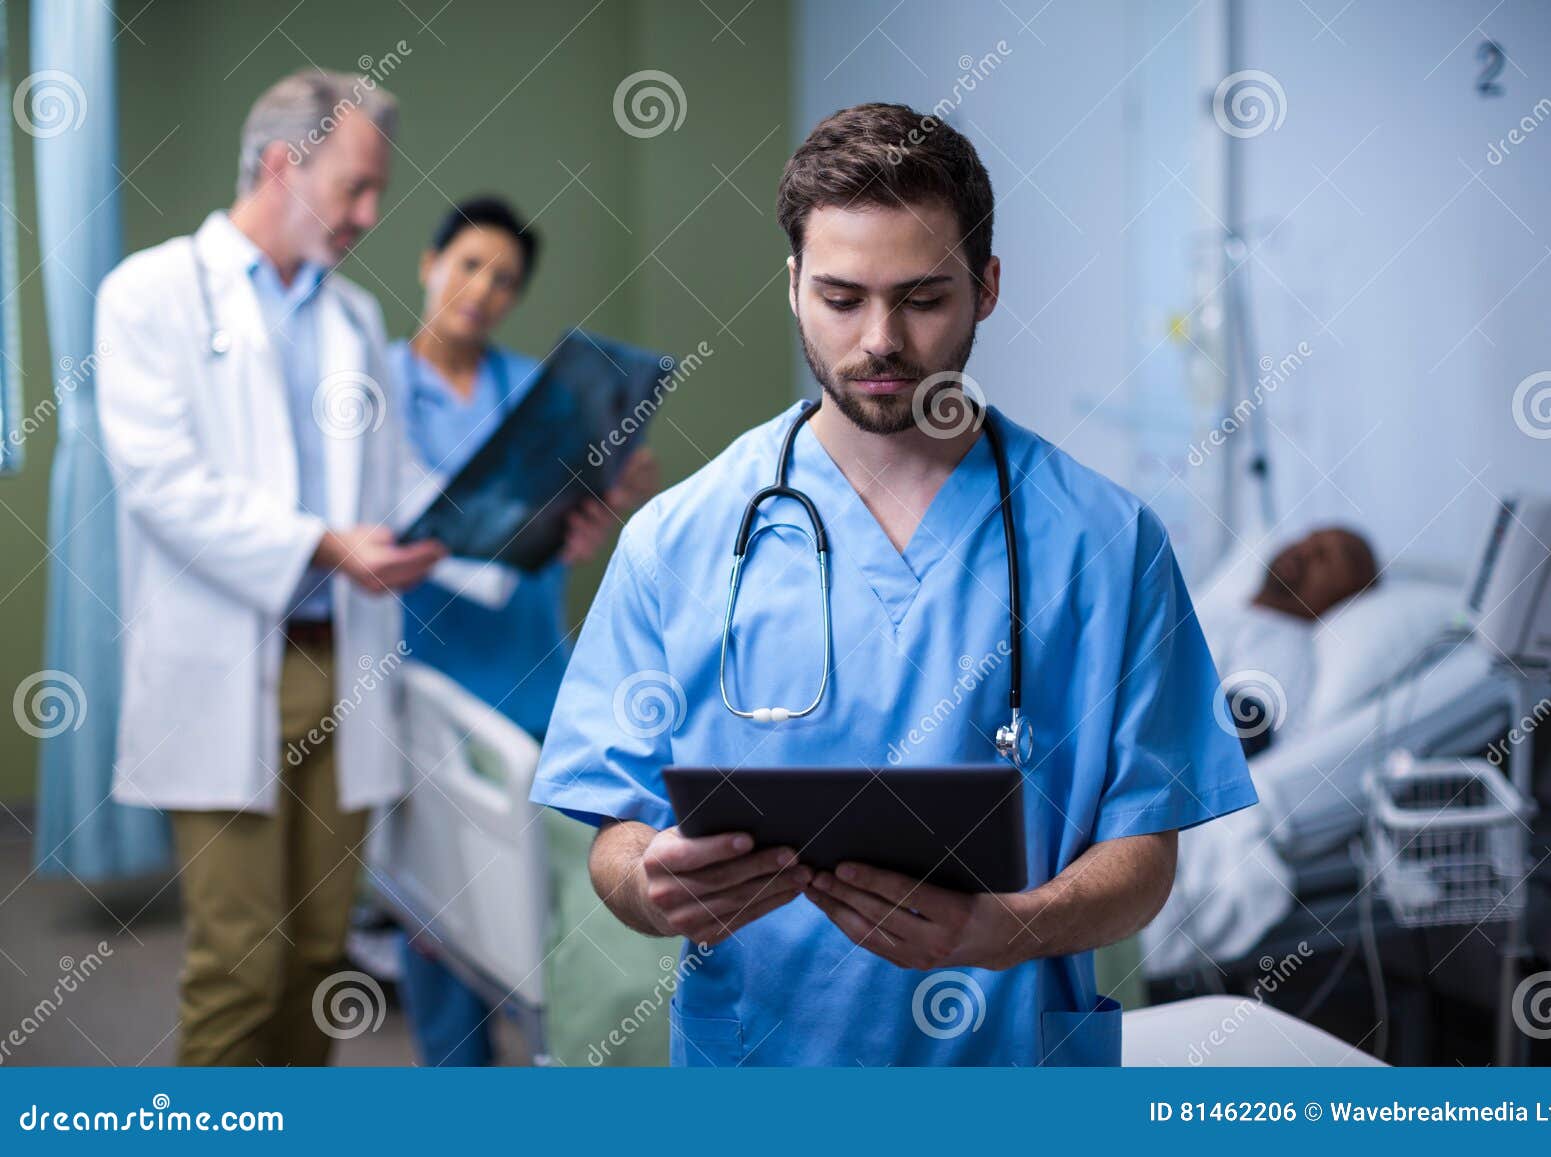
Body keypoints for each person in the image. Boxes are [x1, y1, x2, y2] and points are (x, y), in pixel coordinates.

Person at [528, 103, 1258, 1067]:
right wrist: (649, 885)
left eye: (922, 299)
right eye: (841, 298)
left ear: (987, 287)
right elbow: (615, 836)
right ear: (792, 286)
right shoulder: (680, 539)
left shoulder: (1106, 544)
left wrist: (1011, 928)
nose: (879, 339)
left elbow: (1146, 856)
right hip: (759, 1061)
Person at [95, 70, 445, 1066]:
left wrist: (529, 510)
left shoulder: (352, 322)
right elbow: (162, 483)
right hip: (225, 664)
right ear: (285, 163)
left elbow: (392, 484)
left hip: (346, 661)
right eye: (356, 188)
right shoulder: (151, 293)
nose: (370, 215)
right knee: (240, 960)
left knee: (320, 955)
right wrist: (323, 543)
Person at [388, 196, 659, 1065]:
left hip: (539, 671)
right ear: (429, 263)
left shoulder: (532, 394)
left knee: (543, 899)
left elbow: (549, 539)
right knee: (443, 917)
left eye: (504, 279)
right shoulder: (377, 389)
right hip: (431, 672)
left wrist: (600, 510)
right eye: (468, 265)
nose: (483, 289)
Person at [1209, 526, 1379, 754]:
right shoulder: (1223, 606)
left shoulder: (1282, 647)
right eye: (1307, 539)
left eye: (1323, 557)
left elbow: (1241, 734)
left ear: (1343, 597)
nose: (1304, 551)